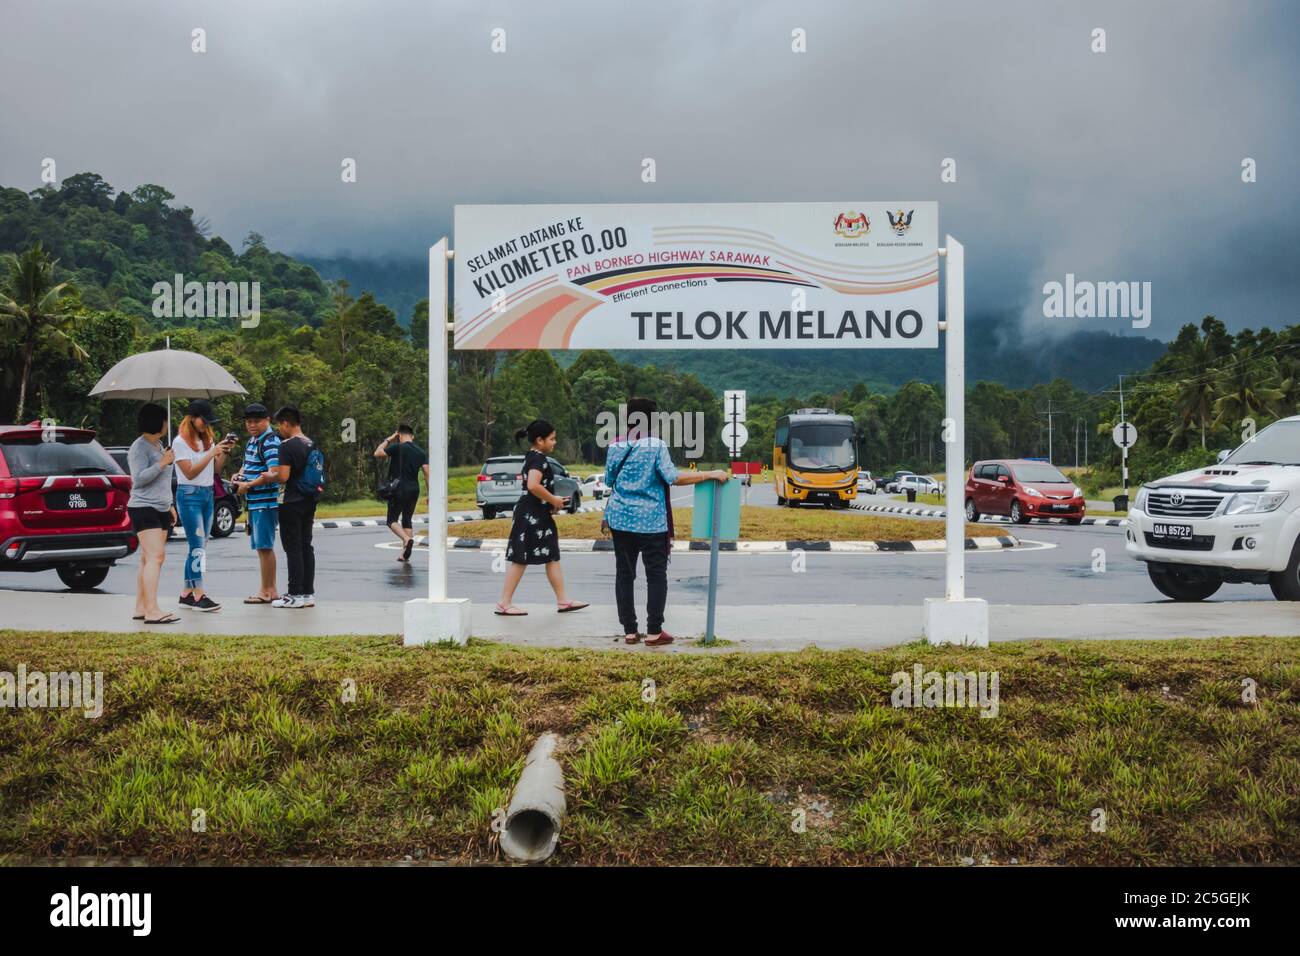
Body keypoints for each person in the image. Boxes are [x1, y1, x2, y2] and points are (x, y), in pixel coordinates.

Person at [604, 397, 727, 646]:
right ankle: (653, 631)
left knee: (624, 575)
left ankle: (629, 631)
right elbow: (672, 477)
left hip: (620, 519)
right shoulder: (656, 445)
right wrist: (709, 474)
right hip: (650, 522)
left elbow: (609, 481)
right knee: (656, 575)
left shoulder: (615, 445)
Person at [494, 419, 588, 616]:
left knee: (552, 554)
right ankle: (504, 602)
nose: (554, 442)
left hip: (537, 513)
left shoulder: (533, 457)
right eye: (552, 439)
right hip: (531, 515)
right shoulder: (538, 459)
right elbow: (533, 486)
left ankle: (563, 600)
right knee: (521, 558)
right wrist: (553, 498)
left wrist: (551, 503)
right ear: (539, 440)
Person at [172, 399, 236, 611]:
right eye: (204, 421)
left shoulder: (206, 440)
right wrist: (210, 452)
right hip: (189, 496)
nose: (206, 425)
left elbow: (216, 470)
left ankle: (186, 592)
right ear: (192, 419)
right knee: (197, 546)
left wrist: (223, 451)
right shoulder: (180, 442)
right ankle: (199, 595)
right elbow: (189, 472)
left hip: (208, 494)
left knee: (199, 546)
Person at [126, 403, 179, 624]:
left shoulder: (159, 445)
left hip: (161, 507)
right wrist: (162, 463)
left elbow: (162, 482)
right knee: (156, 557)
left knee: (148, 558)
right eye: (165, 420)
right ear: (157, 422)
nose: (168, 424)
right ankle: (152, 610)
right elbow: (138, 479)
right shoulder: (139, 448)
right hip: (143, 507)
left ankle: (141, 607)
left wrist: (170, 504)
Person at [230, 403, 282, 603]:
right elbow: (247, 464)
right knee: (261, 547)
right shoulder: (253, 441)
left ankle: (268, 590)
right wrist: (239, 475)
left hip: (265, 502)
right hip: (255, 502)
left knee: (265, 547)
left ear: (267, 420)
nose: (252, 425)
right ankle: (268, 589)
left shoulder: (270, 441)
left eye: (257, 421)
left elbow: (274, 472)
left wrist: (248, 485)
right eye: (249, 421)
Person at [269, 405, 318, 608]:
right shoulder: (311, 443)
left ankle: (294, 594)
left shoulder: (287, 446)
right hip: (309, 499)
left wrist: (270, 475)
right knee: (306, 545)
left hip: (290, 501)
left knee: (292, 547)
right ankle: (308, 593)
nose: (279, 430)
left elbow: (284, 476)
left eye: (280, 425)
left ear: (286, 423)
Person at [374, 423, 429, 562]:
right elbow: (427, 474)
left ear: (399, 435)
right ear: (413, 436)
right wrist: (429, 494)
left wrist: (388, 440)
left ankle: (406, 539)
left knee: (391, 520)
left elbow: (377, 453)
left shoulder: (397, 447)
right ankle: (404, 554)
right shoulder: (421, 452)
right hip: (414, 489)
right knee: (407, 519)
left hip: (399, 488)